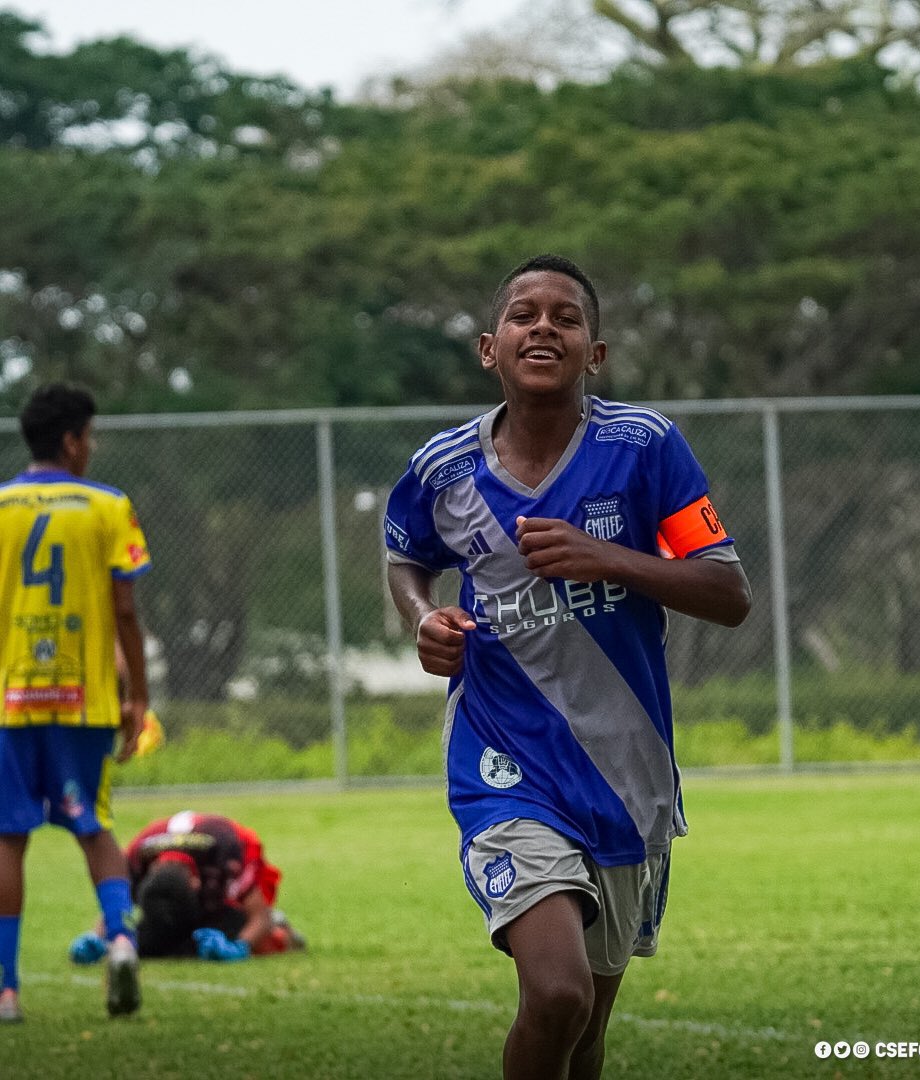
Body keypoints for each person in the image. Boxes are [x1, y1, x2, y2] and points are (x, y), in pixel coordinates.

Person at [384, 254, 752, 1080]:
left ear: (596, 354)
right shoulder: (444, 470)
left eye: (566, 317)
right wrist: (424, 619)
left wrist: (608, 557)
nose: (543, 325)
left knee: (583, 1039)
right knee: (556, 996)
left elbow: (729, 592)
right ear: (490, 347)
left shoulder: (644, 447)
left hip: (626, 774)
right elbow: (407, 557)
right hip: (503, 763)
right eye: (523, 314)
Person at [0, 383, 151, 1022]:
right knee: (92, 824)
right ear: (70, 440)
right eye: (89, 436)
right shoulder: (107, 506)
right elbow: (123, 608)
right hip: (84, 699)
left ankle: (5, 989)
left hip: (9, 701)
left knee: (7, 837)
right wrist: (137, 693)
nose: (92, 448)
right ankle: (120, 937)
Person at [69, 811, 306, 963]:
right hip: (179, 891)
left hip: (218, 899)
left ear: (196, 884)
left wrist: (240, 948)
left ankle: (282, 929)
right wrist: (97, 938)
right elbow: (117, 906)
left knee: (241, 937)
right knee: (150, 947)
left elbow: (258, 916)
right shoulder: (136, 859)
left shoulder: (227, 854)